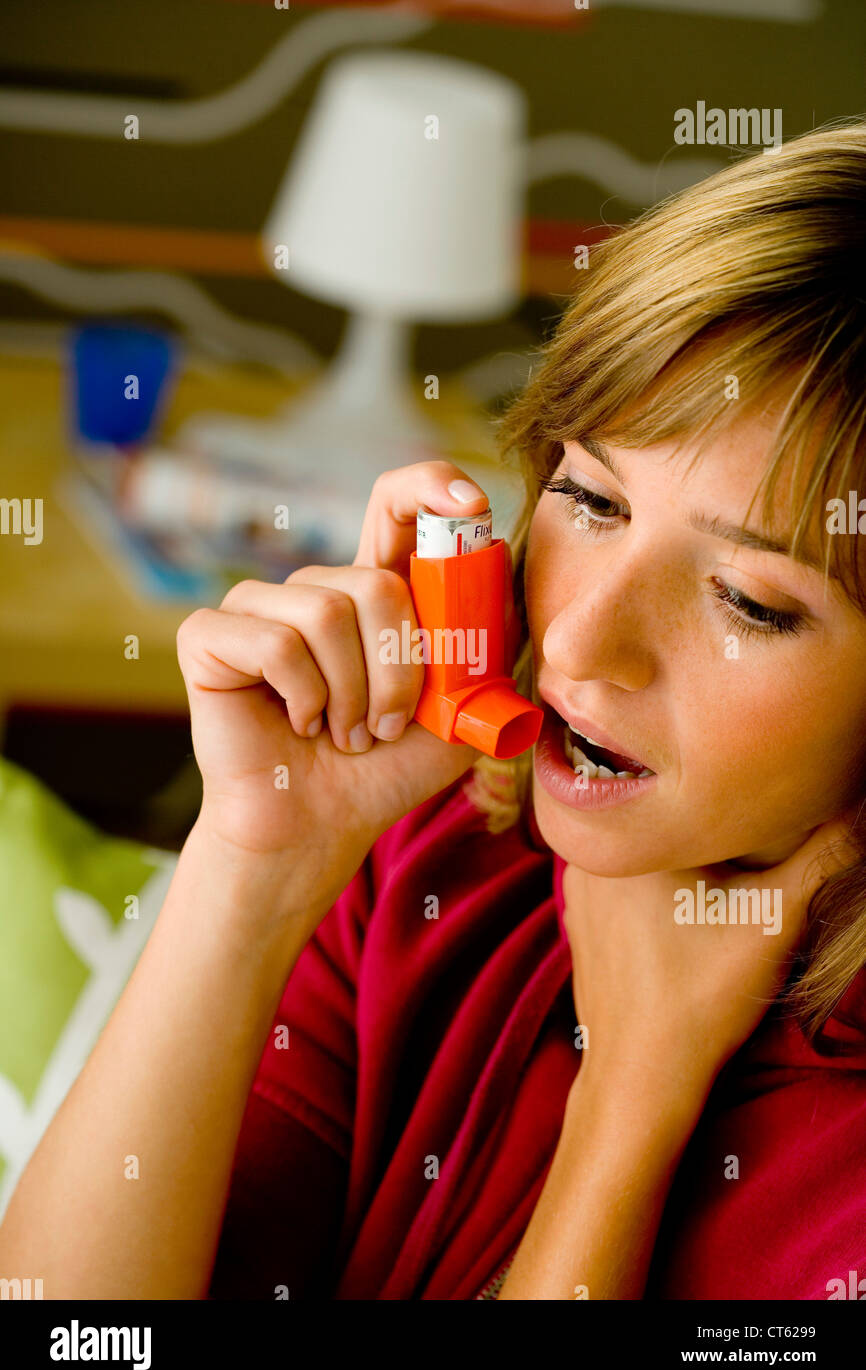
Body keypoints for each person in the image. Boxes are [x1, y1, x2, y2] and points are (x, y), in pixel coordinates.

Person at [3, 119, 866, 1301]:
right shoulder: (445, 860)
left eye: (750, 600)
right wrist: (253, 873)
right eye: (588, 498)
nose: (573, 641)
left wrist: (628, 1100)